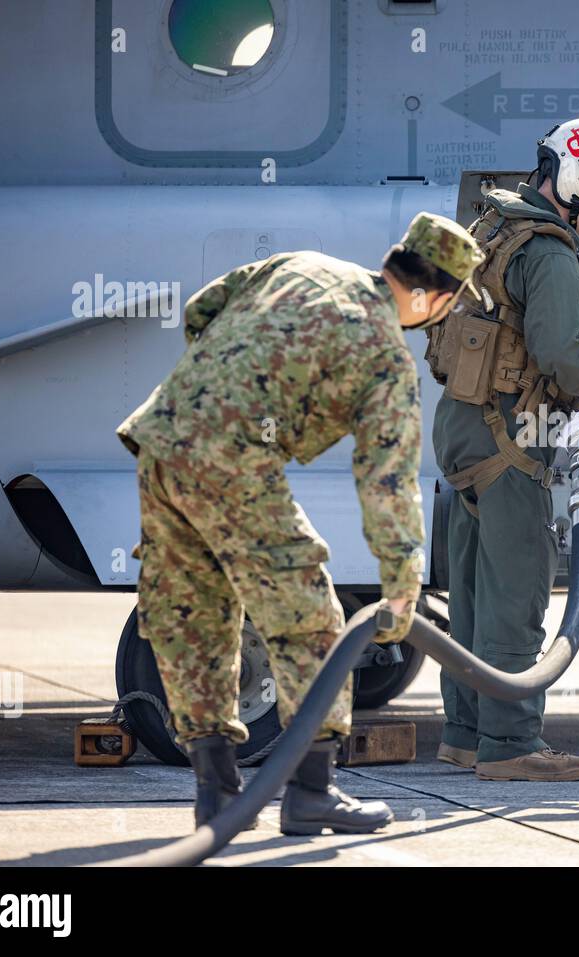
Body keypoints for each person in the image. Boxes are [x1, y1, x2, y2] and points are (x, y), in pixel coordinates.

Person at [116, 213, 484, 831]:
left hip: (164, 436)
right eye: (445, 307)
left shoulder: (303, 265)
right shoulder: (385, 356)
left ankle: (217, 794)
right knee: (311, 619)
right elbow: (386, 483)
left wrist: (224, 388)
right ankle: (313, 791)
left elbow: (203, 311)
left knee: (193, 615)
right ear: (433, 296)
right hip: (232, 457)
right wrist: (401, 586)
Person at [426, 118, 579, 781]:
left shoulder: (495, 223)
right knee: (515, 595)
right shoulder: (548, 250)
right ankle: (512, 744)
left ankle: (465, 733)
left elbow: (519, 337)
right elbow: (560, 354)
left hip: (463, 428)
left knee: (470, 594)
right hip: (510, 438)